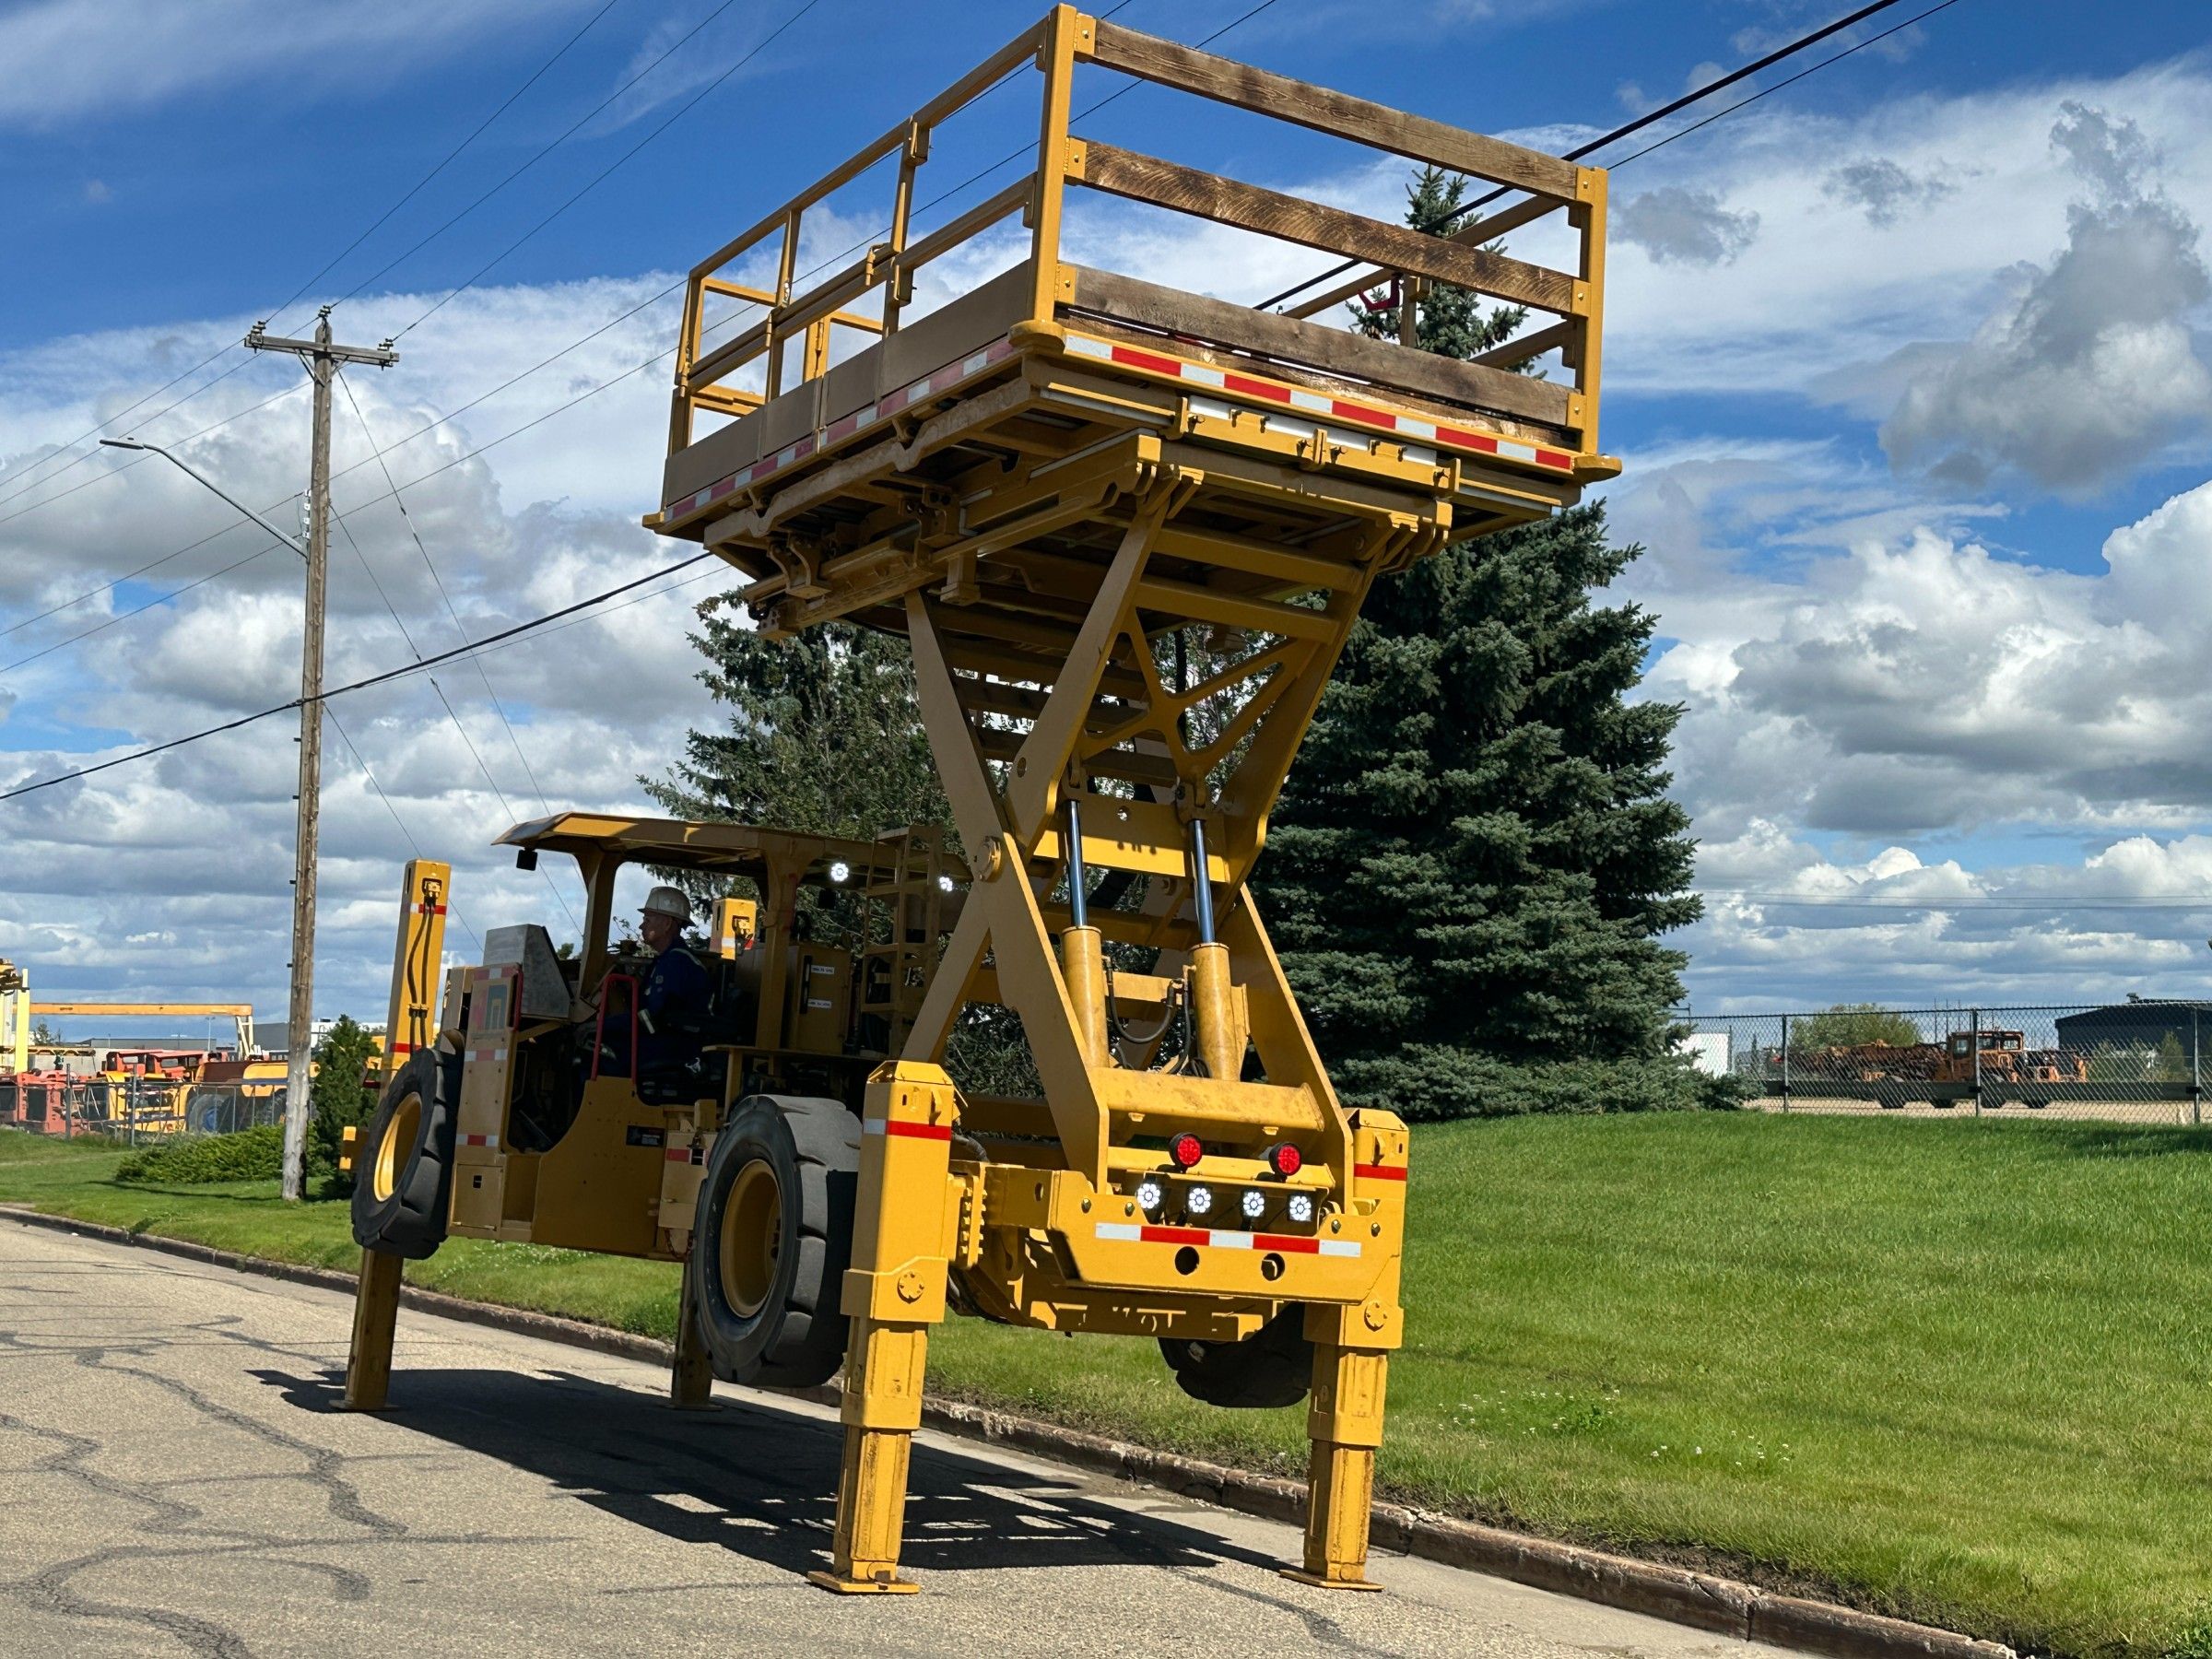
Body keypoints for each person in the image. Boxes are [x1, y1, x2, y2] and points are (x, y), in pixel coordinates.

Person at [634, 886, 712, 1090]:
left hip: (674, 1046)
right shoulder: (667, 961)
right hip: (668, 1040)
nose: (641, 926)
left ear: (667, 923)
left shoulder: (676, 964)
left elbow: (655, 1017)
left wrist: (609, 1025)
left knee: (597, 1050)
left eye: (647, 920)